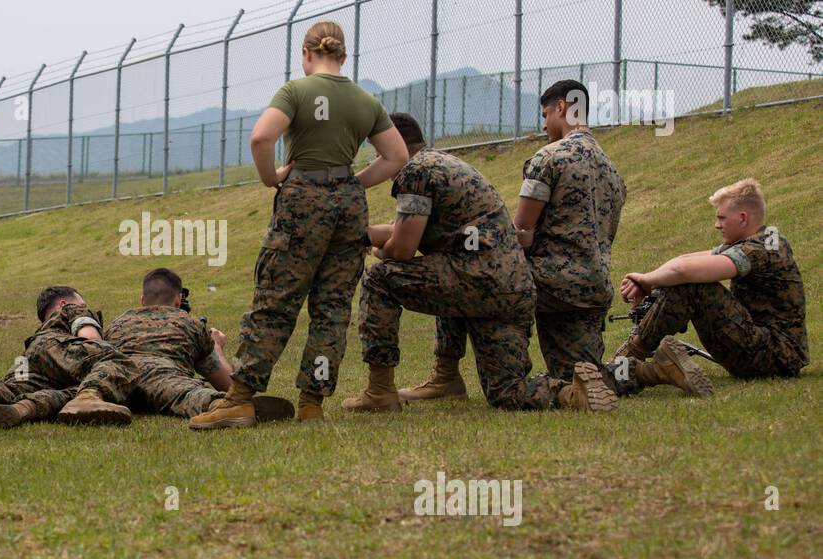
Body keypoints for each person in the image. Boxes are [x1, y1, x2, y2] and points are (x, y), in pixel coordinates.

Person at [190, 21, 409, 429]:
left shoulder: (296, 91)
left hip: (301, 200)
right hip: (348, 207)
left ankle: (240, 399)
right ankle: (312, 404)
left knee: (275, 301)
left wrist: (271, 177)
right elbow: (397, 156)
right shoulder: (365, 101)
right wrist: (351, 182)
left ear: (306, 54)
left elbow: (261, 138)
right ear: (344, 56)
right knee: (332, 308)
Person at [342, 114, 617, 414]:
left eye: (377, 150)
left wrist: (382, 253)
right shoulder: (441, 164)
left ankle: (380, 391)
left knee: (380, 279)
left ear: (393, 144)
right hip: (512, 288)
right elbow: (402, 230)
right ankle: (570, 393)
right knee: (506, 391)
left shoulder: (415, 172)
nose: (374, 162)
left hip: (476, 281)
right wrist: (363, 235)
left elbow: (404, 248)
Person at [614, 178, 808, 380]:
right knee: (684, 279)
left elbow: (683, 271)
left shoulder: (761, 249)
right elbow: (684, 260)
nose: (717, 225)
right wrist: (648, 281)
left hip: (775, 358)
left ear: (742, 218)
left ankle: (624, 365)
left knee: (693, 285)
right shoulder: (766, 239)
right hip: (770, 350)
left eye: (722, 218)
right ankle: (645, 369)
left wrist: (645, 280)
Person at [0, 286, 135, 429]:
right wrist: (103, 350)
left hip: (25, 360)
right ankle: (87, 398)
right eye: (82, 302)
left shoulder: (40, 332)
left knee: (11, 391)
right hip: (58, 348)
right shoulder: (72, 310)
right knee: (118, 361)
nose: (84, 305)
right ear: (64, 303)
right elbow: (90, 338)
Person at [105, 268, 293, 421]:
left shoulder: (117, 323)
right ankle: (228, 408)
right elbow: (227, 384)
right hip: (165, 382)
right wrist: (217, 348)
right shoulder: (189, 323)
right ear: (178, 300)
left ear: (142, 300)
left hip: (120, 383)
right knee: (192, 395)